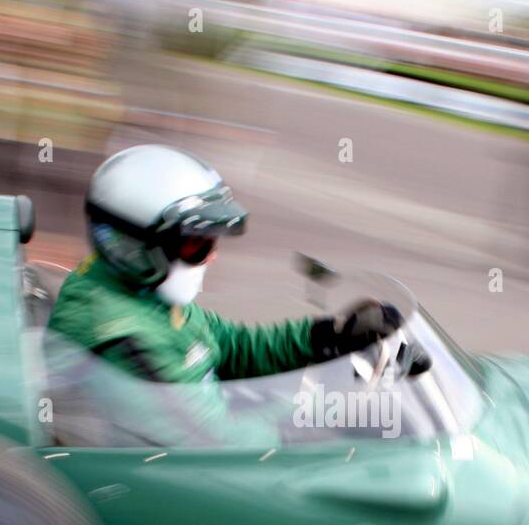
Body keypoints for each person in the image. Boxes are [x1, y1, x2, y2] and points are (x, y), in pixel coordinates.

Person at [48, 144, 399, 388]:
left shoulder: (140, 293)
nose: (212, 256)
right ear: (137, 246)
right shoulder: (126, 342)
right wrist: (321, 409)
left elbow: (231, 346)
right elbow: (214, 444)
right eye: (196, 243)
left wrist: (329, 337)